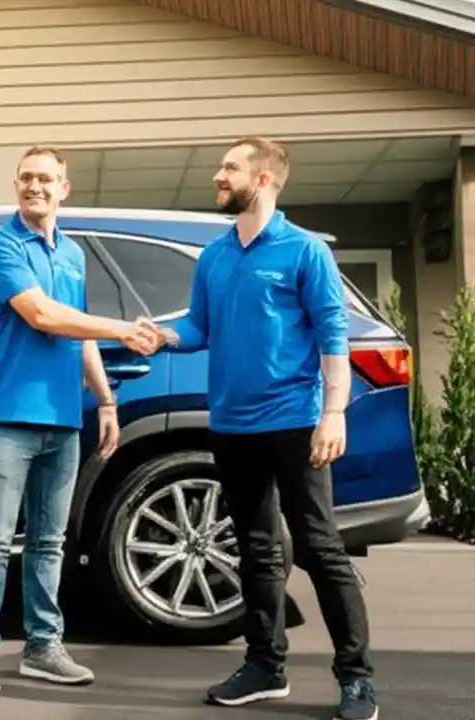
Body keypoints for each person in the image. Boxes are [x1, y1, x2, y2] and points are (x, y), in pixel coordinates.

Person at [155, 136, 378, 720]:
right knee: (255, 549)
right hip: (232, 424)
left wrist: (334, 412)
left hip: (296, 421)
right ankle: (264, 666)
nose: (217, 176)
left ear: (265, 179)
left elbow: (334, 332)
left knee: (319, 547)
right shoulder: (215, 256)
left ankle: (356, 679)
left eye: (229, 167)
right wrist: (161, 333)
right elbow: (200, 325)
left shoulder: (304, 251)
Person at [0, 145, 162, 695]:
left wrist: (106, 402)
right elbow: (44, 316)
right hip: (7, 419)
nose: (35, 187)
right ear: (17, 186)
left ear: (64, 188)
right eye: (27, 178)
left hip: (62, 422)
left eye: (46, 179)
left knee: (50, 542)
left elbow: (80, 334)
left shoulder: (72, 254)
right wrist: (123, 329)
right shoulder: (0, 246)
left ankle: (42, 648)